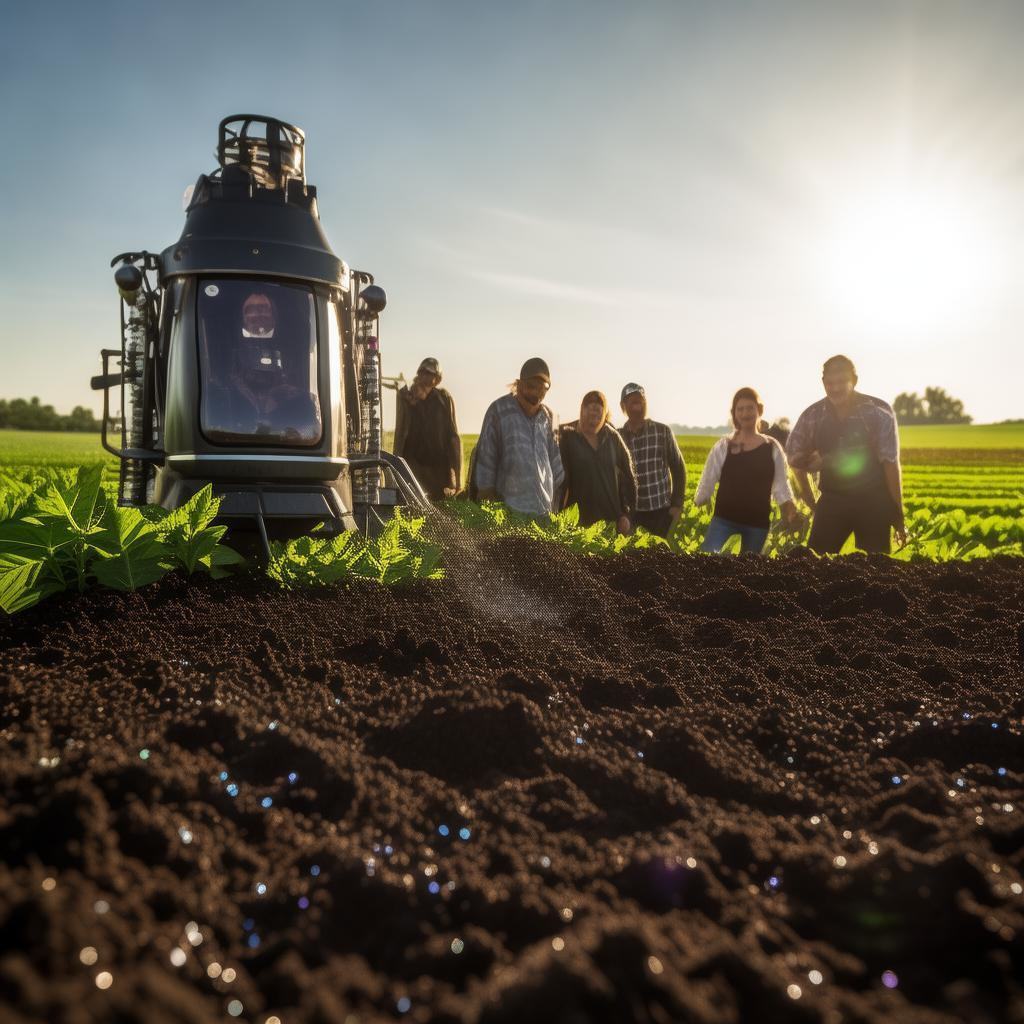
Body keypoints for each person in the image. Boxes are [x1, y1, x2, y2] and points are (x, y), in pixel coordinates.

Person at [786, 354, 906, 553]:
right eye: (830, 383)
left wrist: (897, 514)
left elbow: (890, 463)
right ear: (823, 383)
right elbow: (795, 460)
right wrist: (812, 503)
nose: (835, 388)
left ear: (855, 381)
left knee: (876, 568)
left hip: (873, 500)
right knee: (814, 564)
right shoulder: (812, 415)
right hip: (833, 499)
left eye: (842, 382)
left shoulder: (879, 411)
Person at [693, 387, 799, 554]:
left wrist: (789, 508)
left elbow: (780, 483)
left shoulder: (772, 447)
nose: (745, 413)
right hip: (723, 520)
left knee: (749, 572)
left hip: (757, 524)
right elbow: (709, 476)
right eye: (740, 409)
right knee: (709, 563)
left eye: (750, 408)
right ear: (734, 413)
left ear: (759, 410)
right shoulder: (724, 445)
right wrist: (700, 499)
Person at [474, 357, 564, 516]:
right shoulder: (499, 411)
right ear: (519, 384)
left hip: (543, 517)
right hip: (509, 516)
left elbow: (556, 471)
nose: (536, 392)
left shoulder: (549, 418)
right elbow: (485, 465)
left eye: (543, 387)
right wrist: (492, 513)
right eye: (531, 386)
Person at [558, 391, 637, 533]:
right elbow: (558, 481)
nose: (592, 416)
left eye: (598, 412)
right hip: (576, 527)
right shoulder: (566, 435)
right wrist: (557, 515)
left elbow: (629, 478)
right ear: (581, 410)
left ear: (604, 416)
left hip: (611, 525)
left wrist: (627, 515)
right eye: (588, 409)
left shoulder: (613, 437)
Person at [618, 382, 686, 538]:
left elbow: (678, 468)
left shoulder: (662, 431)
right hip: (631, 514)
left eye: (641, 400)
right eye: (632, 401)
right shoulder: (618, 436)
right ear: (623, 406)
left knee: (659, 558)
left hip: (660, 511)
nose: (638, 404)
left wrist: (677, 504)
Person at [393, 357, 462, 501]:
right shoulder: (406, 397)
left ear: (437, 379)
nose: (425, 377)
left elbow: (454, 438)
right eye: (423, 373)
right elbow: (400, 436)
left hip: (439, 474)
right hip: (412, 470)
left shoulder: (443, 399)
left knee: (440, 515)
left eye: (430, 374)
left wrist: (457, 477)